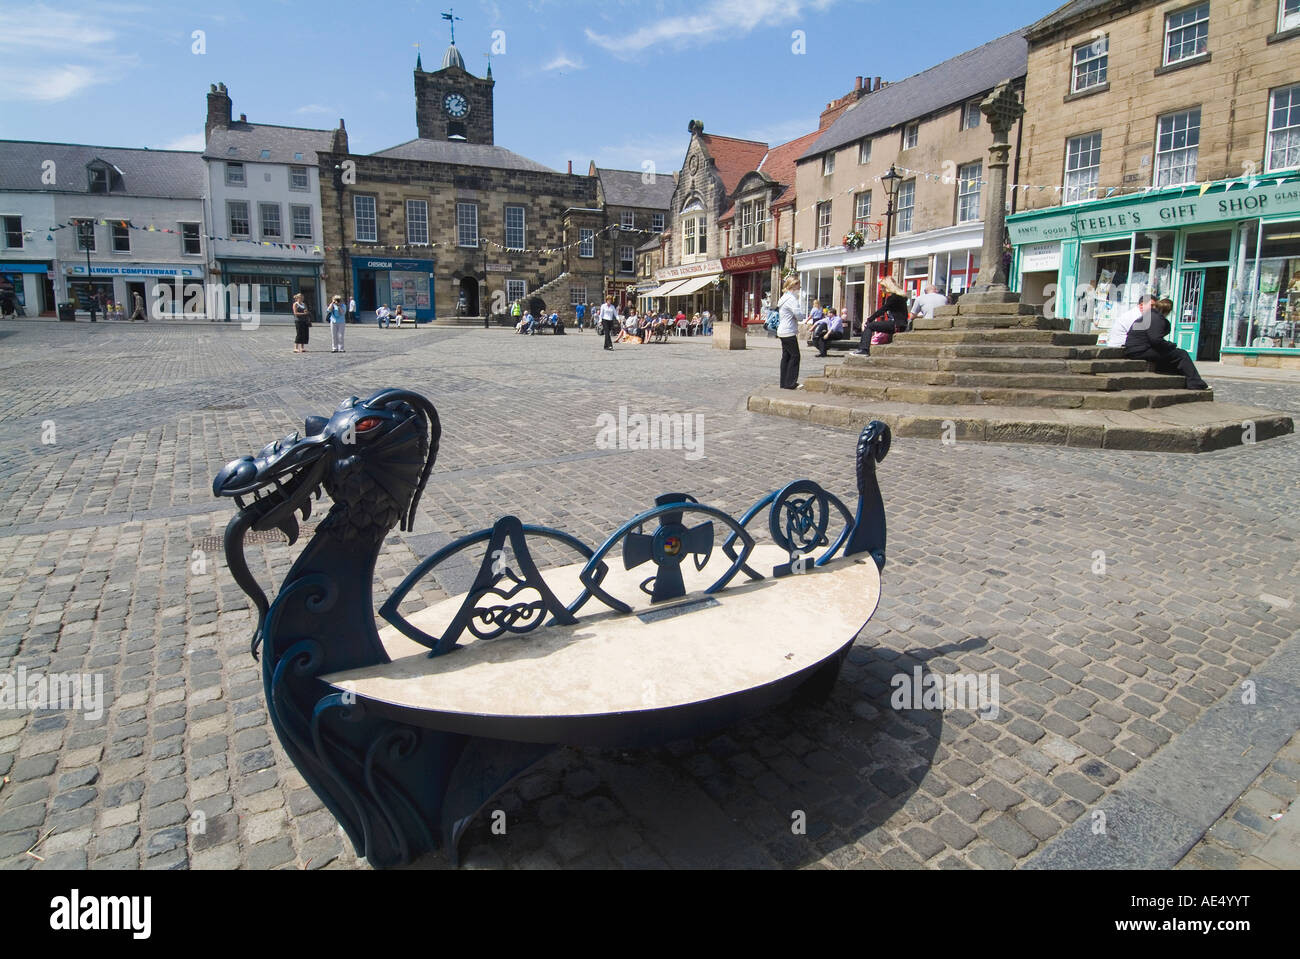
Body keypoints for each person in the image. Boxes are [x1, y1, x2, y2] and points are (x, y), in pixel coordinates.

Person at [1124, 297, 1209, 390]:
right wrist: (1171, 345)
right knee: (1182, 354)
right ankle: (1195, 383)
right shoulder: (1156, 318)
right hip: (1140, 350)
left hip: (1135, 349)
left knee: (1173, 356)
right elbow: (1156, 340)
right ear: (1168, 311)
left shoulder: (1150, 316)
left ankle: (1186, 380)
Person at [853, 277, 909, 355]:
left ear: (888, 286)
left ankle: (864, 350)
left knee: (869, 326)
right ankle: (862, 349)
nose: (881, 289)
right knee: (873, 326)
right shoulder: (900, 297)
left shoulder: (893, 298)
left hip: (896, 325)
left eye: (882, 287)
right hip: (900, 325)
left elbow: (882, 310)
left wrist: (869, 320)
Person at [776, 276, 805, 389]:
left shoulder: (784, 298)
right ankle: (791, 383)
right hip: (788, 331)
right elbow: (798, 315)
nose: (800, 287)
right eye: (798, 285)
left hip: (782, 330)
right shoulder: (792, 299)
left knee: (786, 356)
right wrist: (802, 316)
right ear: (793, 285)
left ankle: (784, 382)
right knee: (795, 356)